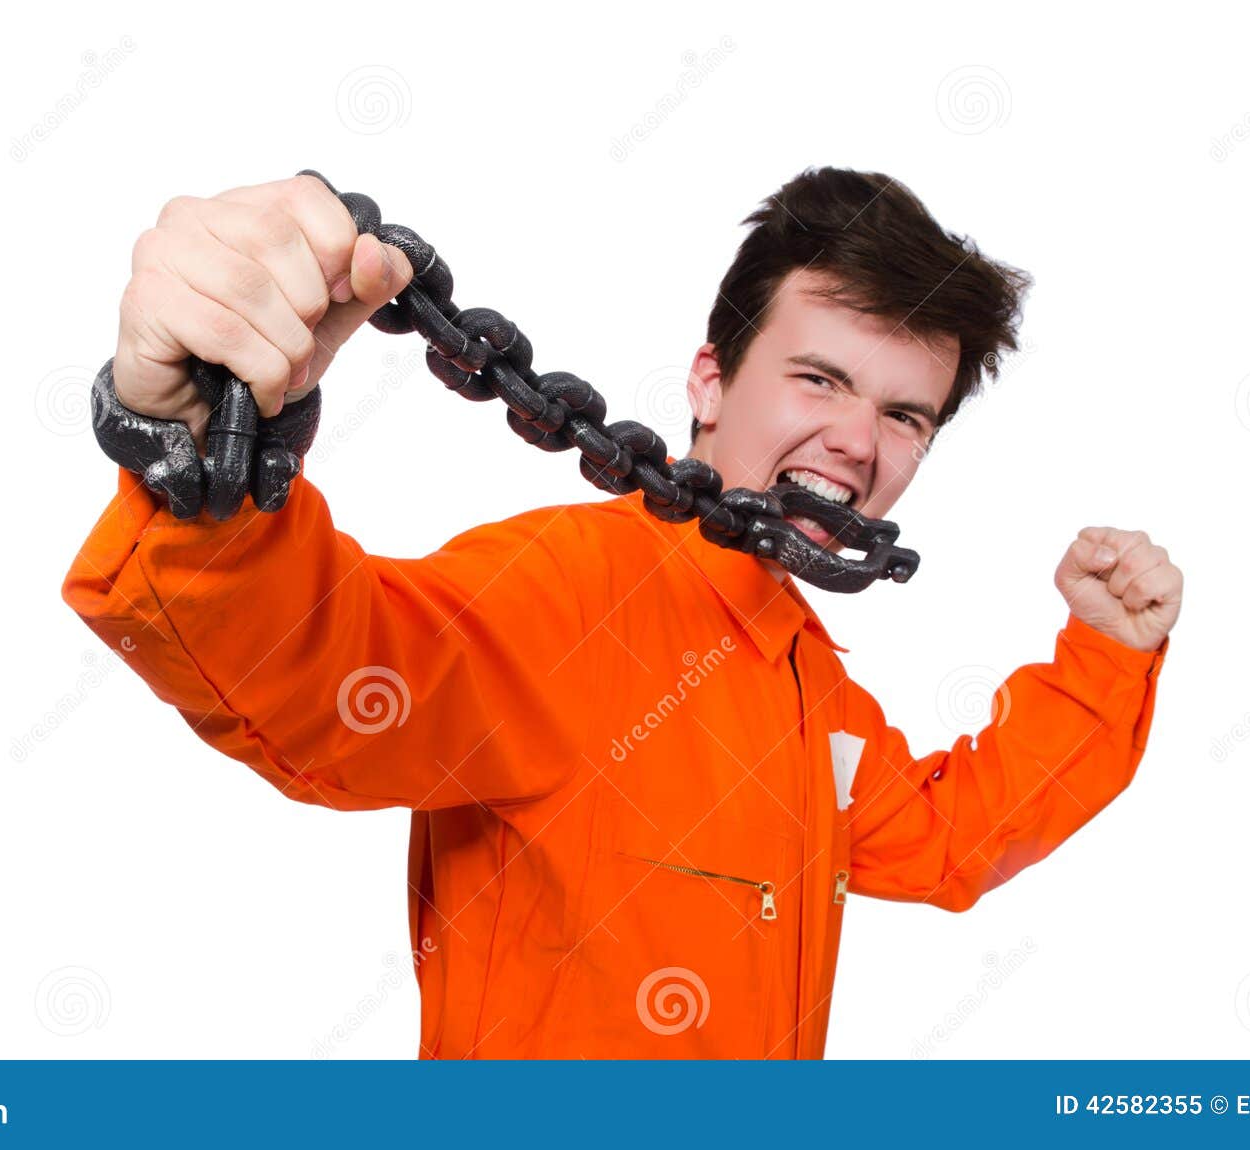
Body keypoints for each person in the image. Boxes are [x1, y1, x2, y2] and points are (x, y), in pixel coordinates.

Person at [61, 168, 1182, 1058]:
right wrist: (195, 454)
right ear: (707, 380)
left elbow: (948, 839)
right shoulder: (573, 594)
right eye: (821, 380)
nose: (860, 442)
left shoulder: (807, 684)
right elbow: (325, 674)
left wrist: (1106, 659)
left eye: (906, 414)